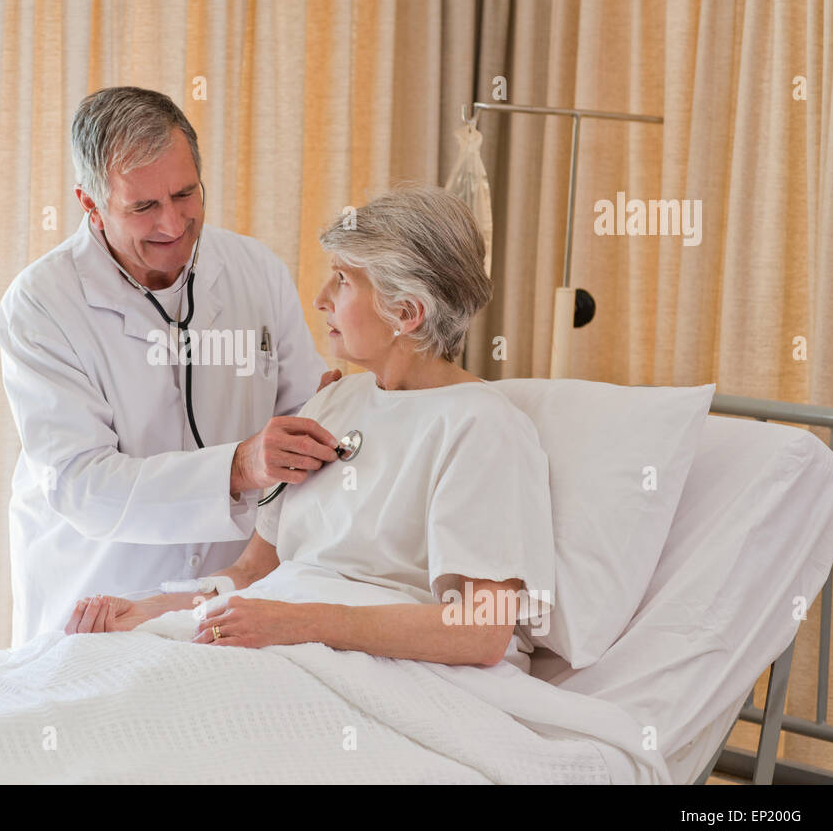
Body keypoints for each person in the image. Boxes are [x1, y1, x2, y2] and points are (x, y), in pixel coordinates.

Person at [68, 185, 556, 672]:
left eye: (342, 280)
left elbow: (481, 631)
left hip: (390, 669)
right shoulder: (332, 402)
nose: (321, 300)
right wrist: (151, 609)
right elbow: (253, 573)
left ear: (405, 313)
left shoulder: (482, 426)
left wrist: (298, 624)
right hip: (289, 648)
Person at [0, 87, 341, 645]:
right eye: (143, 207)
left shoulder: (255, 271)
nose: (173, 223)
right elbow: (83, 483)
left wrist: (335, 418)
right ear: (91, 205)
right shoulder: (42, 304)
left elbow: (303, 413)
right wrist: (239, 467)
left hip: (229, 606)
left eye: (185, 194)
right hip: (101, 595)